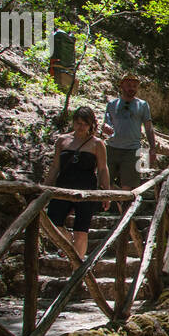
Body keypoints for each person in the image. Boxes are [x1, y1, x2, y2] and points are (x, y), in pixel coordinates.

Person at [45, 106, 110, 257]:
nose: (81, 127)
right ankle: (68, 241)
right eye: (78, 123)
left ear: (91, 124)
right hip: (62, 188)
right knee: (52, 224)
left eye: (85, 124)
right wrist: (46, 188)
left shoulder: (97, 144)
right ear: (73, 122)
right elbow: (55, 166)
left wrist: (106, 193)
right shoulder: (62, 140)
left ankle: (77, 271)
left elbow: (102, 169)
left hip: (87, 192)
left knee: (81, 231)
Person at [101, 73, 158, 192]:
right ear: (121, 86)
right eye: (128, 85)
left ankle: (124, 209)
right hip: (111, 148)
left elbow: (148, 127)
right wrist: (105, 127)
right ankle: (112, 205)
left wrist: (153, 148)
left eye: (134, 86)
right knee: (104, 183)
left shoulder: (142, 105)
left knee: (129, 186)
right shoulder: (112, 104)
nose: (131, 88)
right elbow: (106, 124)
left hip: (132, 150)